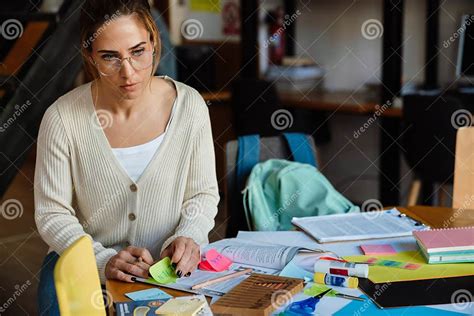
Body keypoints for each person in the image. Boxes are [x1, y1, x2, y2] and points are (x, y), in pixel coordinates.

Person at [35, 0, 219, 314]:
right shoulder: (62, 118)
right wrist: (102, 260)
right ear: (90, 55)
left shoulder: (190, 107)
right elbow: (52, 213)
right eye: (110, 57)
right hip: (82, 265)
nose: (128, 72)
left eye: (138, 52)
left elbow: (202, 193)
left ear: (154, 43)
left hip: (165, 272)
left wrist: (189, 234)